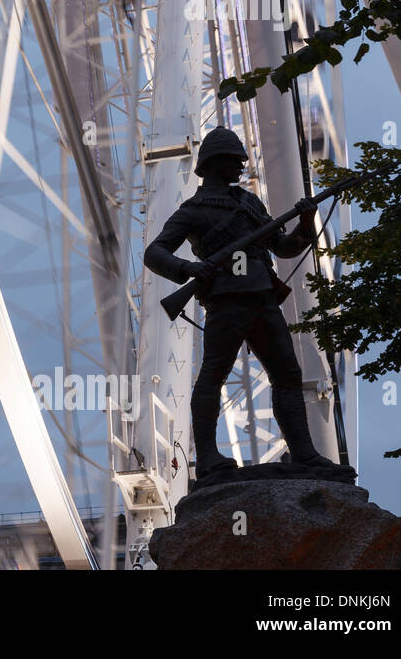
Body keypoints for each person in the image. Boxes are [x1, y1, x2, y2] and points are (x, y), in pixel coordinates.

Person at [143, 126, 339, 478]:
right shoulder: (193, 211)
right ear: (217, 164)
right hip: (226, 303)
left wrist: (307, 220)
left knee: (288, 375)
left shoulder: (250, 203)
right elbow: (154, 253)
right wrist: (189, 267)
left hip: (264, 298)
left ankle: (304, 453)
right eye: (235, 162)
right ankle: (207, 458)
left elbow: (285, 248)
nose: (241, 169)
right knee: (213, 376)